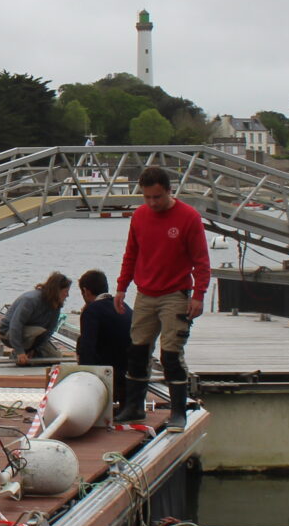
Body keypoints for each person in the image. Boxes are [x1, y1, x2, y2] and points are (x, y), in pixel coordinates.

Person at [115, 165, 210, 432]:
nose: (152, 203)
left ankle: (178, 411)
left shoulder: (188, 217)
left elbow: (201, 261)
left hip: (175, 294)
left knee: (170, 354)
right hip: (146, 292)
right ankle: (134, 405)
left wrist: (199, 295)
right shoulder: (140, 216)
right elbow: (131, 254)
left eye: (157, 197)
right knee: (137, 351)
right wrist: (122, 287)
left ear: (169, 191)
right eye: (147, 197)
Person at [74, 268, 135, 417]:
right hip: (130, 377)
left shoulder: (92, 310)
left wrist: (85, 382)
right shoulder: (124, 306)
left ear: (86, 291)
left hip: (110, 378)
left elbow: (87, 349)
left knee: (81, 342)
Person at [0, 272, 71, 365]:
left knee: (55, 357)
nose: (67, 295)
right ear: (57, 290)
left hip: (34, 336)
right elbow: (15, 326)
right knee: (38, 330)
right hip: (9, 333)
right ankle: (17, 354)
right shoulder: (30, 300)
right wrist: (20, 351)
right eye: (66, 291)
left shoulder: (56, 305)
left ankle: (29, 355)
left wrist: (35, 349)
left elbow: (49, 331)